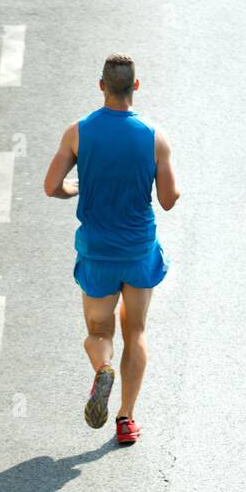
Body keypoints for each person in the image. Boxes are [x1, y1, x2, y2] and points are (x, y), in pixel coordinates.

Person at [43, 53, 180, 444]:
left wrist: (74, 188)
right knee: (135, 331)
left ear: (101, 85)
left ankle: (103, 367)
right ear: (136, 86)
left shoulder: (79, 132)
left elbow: (52, 185)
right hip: (138, 251)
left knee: (98, 330)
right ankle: (126, 419)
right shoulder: (154, 136)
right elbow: (168, 200)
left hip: (98, 252)